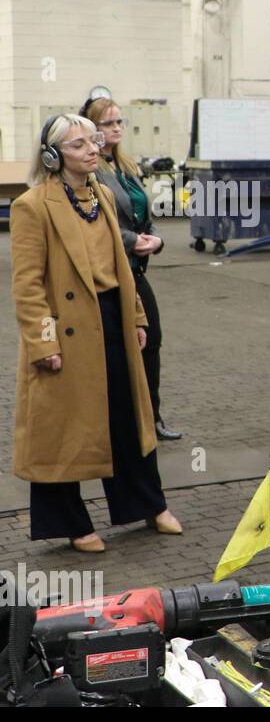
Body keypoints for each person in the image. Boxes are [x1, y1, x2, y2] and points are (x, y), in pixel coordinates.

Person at [9, 114, 182, 552]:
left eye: (93, 140)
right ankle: (72, 523)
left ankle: (149, 504)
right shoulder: (32, 205)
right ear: (52, 156)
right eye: (78, 144)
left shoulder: (102, 195)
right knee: (62, 428)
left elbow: (122, 269)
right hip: (65, 329)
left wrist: (138, 318)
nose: (91, 149)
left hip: (112, 317)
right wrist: (43, 341)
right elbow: (28, 285)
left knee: (130, 417)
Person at [83, 96, 182, 442]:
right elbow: (94, 219)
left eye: (119, 122)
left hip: (136, 269)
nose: (117, 129)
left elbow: (145, 213)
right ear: (93, 129)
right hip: (111, 270)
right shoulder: (91, 170)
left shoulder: (126, 166)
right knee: (121, 347)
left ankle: (151, 417)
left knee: (151, 340)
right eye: (109, 123)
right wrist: (131, 240)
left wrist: (154, 238)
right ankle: (120, 423)